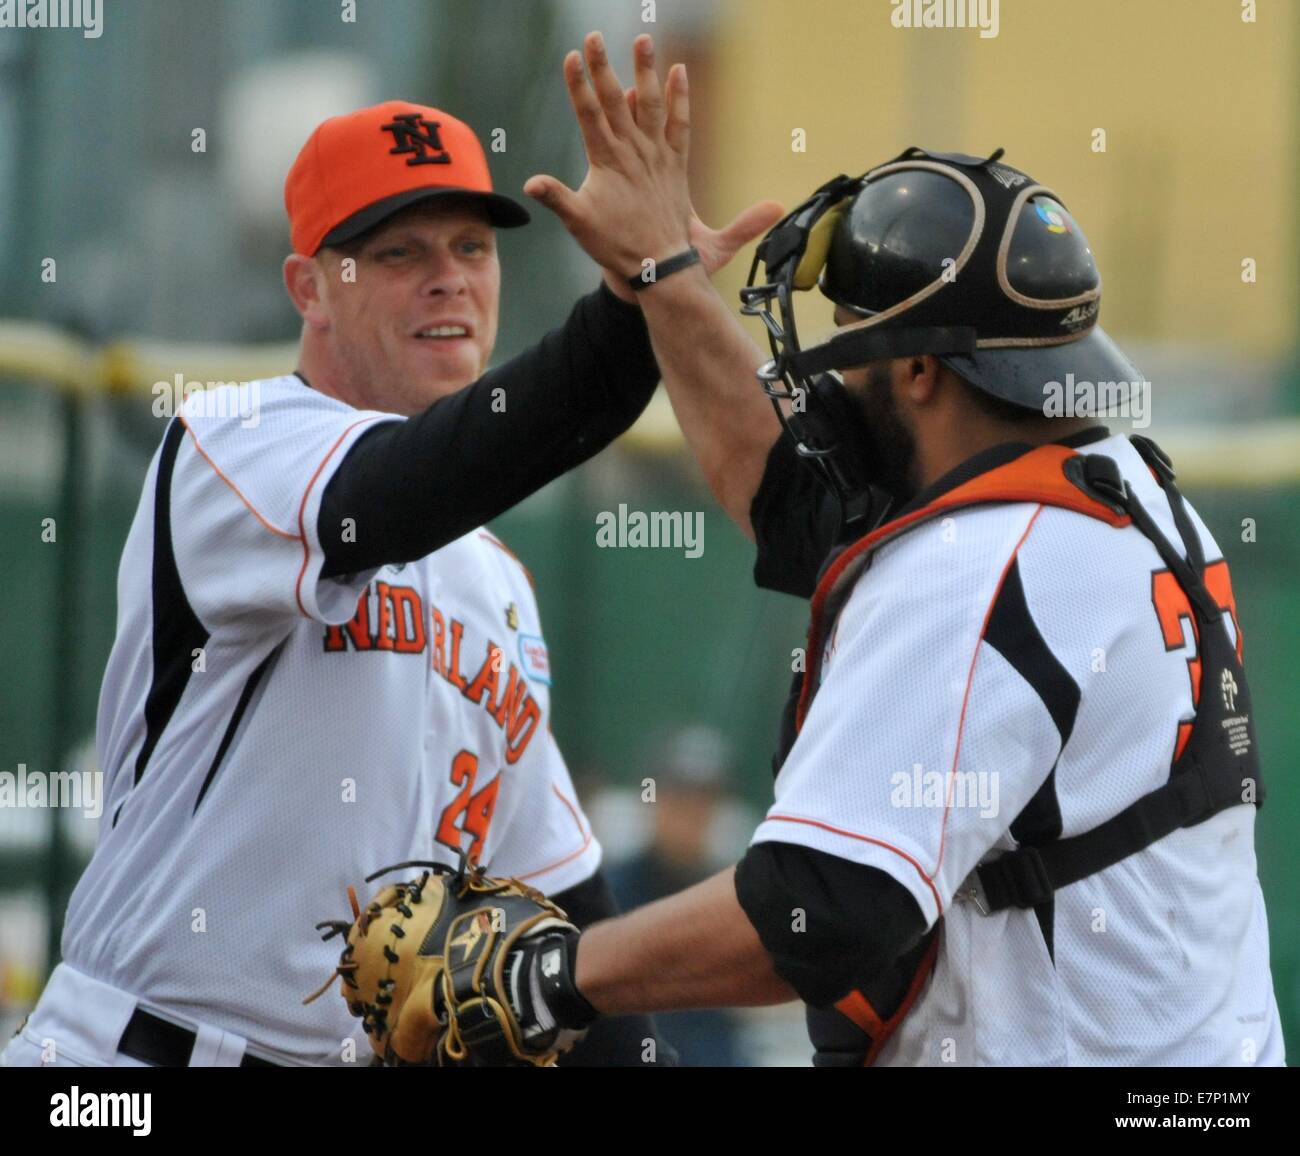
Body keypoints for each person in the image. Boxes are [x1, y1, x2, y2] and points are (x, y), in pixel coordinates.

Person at [460, 36, 1287, 1066]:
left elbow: (814, 907)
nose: (835, 377)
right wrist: (662, 273)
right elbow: (789, 495)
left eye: (854, 341)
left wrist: (539, 972)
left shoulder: (976, 569)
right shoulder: (1125, 491)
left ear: (926, 373)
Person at [1, 34, 782, 1067]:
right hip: (129, 1065)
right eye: (398, 252)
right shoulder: (233, 446)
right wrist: (638, 301)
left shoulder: (496, 584)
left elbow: (567, 914)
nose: (448, 281)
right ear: (309, 286)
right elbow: (410, 487)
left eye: (471, 247)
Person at [606, 726, 747, 1066]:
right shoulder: (609, 893)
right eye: (678, 799)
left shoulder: (734, 896)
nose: (689, 816)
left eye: (701, 801)